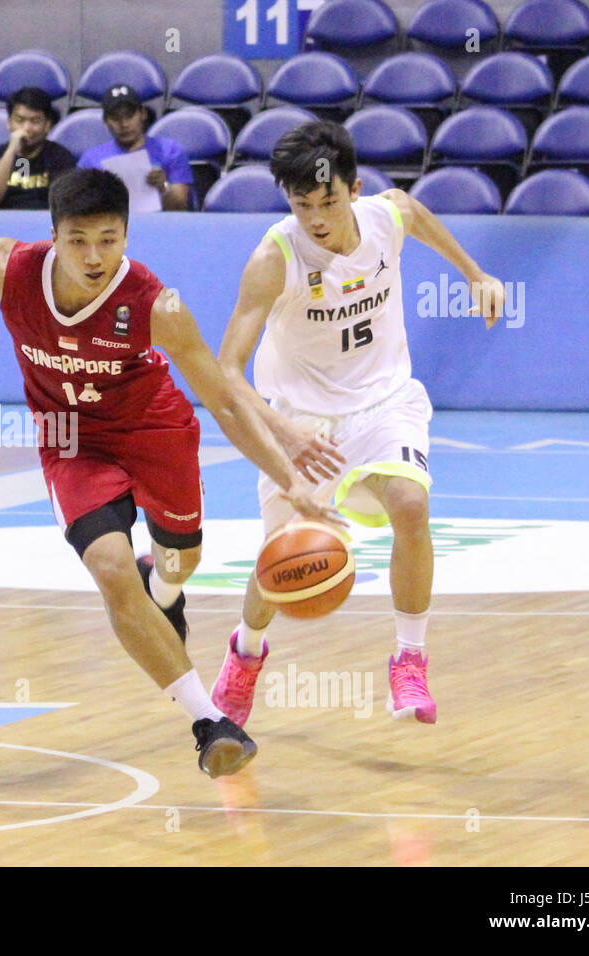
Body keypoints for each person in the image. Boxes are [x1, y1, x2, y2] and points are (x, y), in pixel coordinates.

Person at [0, 168, 343, 777]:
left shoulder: (156, 304)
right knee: (112, 571)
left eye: (109, 240)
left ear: (127, 236)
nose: (94, 256)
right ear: (53, 235)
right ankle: (208, 721)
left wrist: (290, 479)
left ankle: (165, 590)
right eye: (78, 240)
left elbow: (223, 400)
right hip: (72, 442)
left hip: (154, 431)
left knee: (180, 561)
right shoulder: (11, 271)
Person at [211, 120, 505, 734]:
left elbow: (419, 218)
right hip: (299, 420)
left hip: (384, 400)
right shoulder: (275, 257)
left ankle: (410, 658)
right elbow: (226, 372)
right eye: (302, 205)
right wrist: (285, 434)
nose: (317, 217)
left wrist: (474, 274)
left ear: (354, 188)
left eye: (328, 201)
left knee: (410, 505)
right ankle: (245, 654)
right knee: (282, 562)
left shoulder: (385, 215)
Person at [77, 85, 191, 212]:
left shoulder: (170, 150)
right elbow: (79, 207)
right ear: (105, 121)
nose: (124, 124)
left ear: (142, 114)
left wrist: (163, 187)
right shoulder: (91, 160)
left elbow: (180, 206)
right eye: (115, 118)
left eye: (129, 116)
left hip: (160, 225)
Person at [0, 87, 75, 210]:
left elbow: (65, 205)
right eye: (20, 120)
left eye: (35, 121)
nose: (26, 128)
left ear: (47, 125)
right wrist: (11, 151)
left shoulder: (61, 157)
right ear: (9, 123)